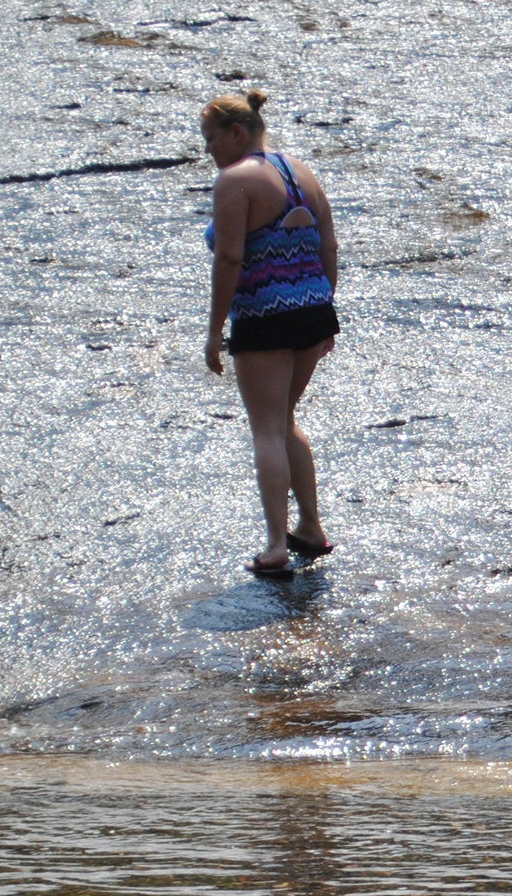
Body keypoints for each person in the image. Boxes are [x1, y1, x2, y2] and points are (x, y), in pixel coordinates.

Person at [200, 89, 340, 577]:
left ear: (236, 133)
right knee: (284, 419)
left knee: (265, 429)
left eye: (211, 139)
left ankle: (276, 547)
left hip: (265, 318)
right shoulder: (300, 170)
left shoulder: (234, 181)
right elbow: (328, 245)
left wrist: (216, 331)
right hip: (314, 313)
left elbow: (230, 258)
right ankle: (310, 527)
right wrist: (326, 307)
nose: (209, 151)